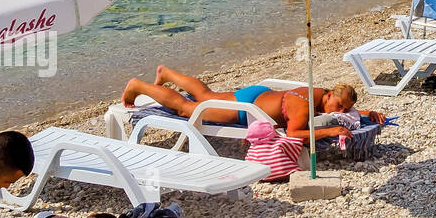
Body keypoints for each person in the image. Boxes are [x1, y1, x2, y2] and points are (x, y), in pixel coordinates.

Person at [119, 66, 386, 141]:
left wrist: (364, 113)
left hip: (259, 96)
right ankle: (139, 86)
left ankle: (166, 74)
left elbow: (341, 110)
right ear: (329, 95)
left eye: (344, 109)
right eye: (339, 105)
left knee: (205, 94)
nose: (340, 112)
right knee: (186, 108)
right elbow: (293, 134)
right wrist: (329, 131)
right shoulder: (303, 105)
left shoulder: (319, 94)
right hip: (245, 110)